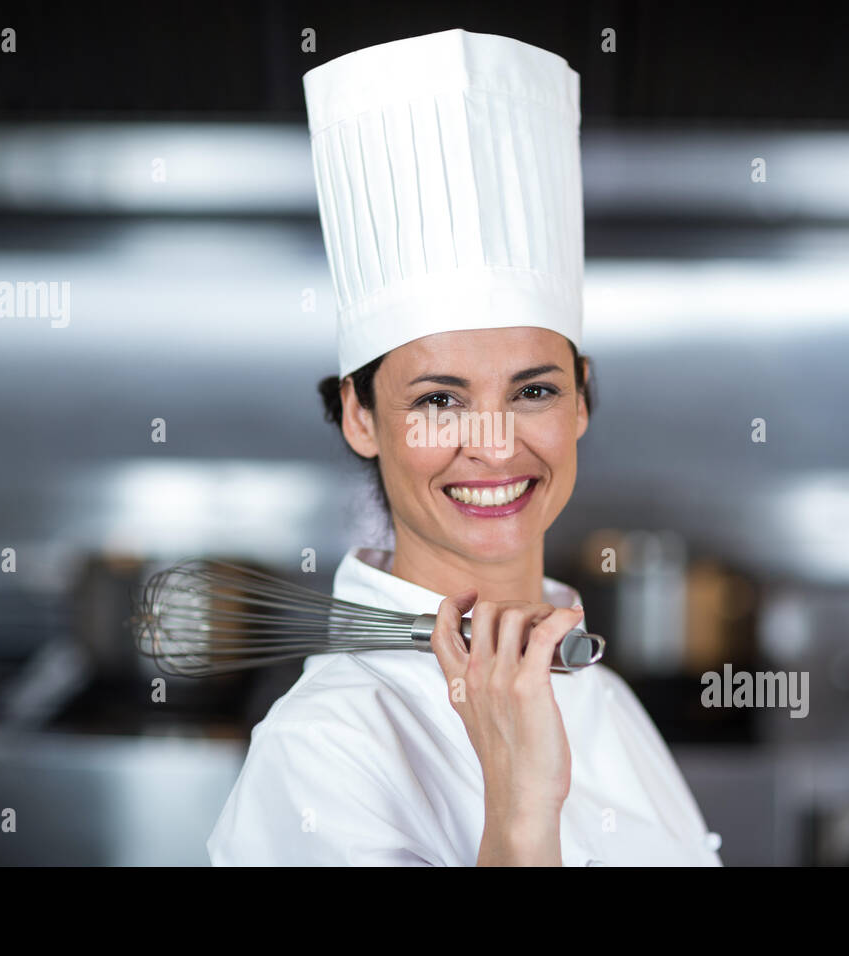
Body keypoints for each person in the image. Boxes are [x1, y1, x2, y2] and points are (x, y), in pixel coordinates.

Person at [207, 27, 722, 866]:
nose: (493, 446)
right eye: (440, 400)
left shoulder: (604, 696)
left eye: (534, 391)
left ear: (583, 397)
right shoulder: (323, 748)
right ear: (360, 415)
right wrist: (519, 810)